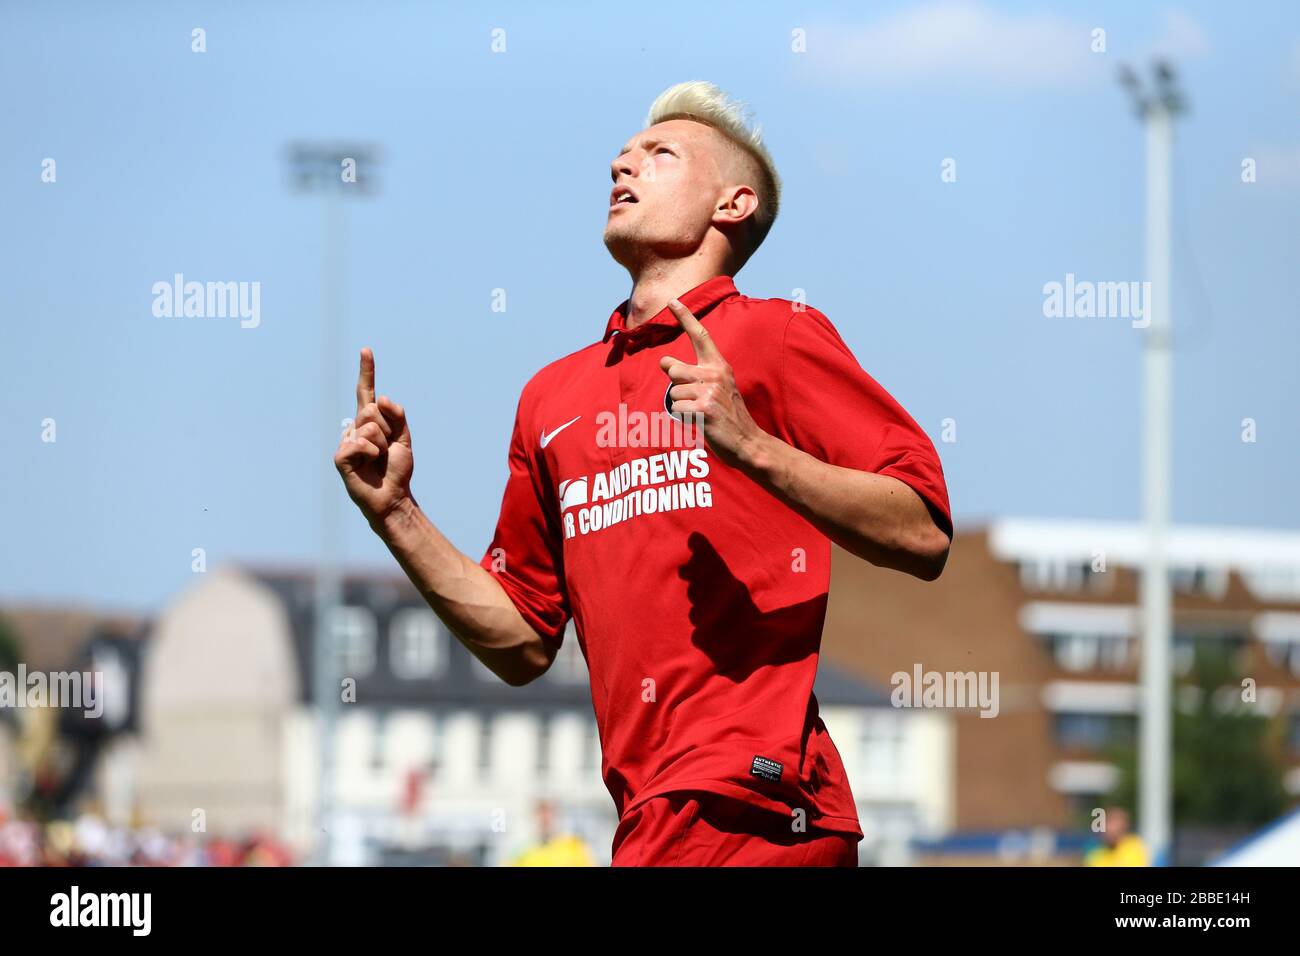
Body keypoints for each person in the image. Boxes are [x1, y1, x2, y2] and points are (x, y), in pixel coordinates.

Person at [335, 81, 951, 866]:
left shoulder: (776, 336)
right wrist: (397, 516)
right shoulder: (550, 397)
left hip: (760, 808)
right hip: (646, 817)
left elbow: (924, 528)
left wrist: (754, 446)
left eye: (660, 154)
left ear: (733, 204)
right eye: (624, 155)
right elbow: (522, 640)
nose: (624, 164)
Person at [1084, 806, 1150, 867]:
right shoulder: (1096, 853)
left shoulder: (1134, 847)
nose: (1108, 828)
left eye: (1113, 823)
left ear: (1124, 826)